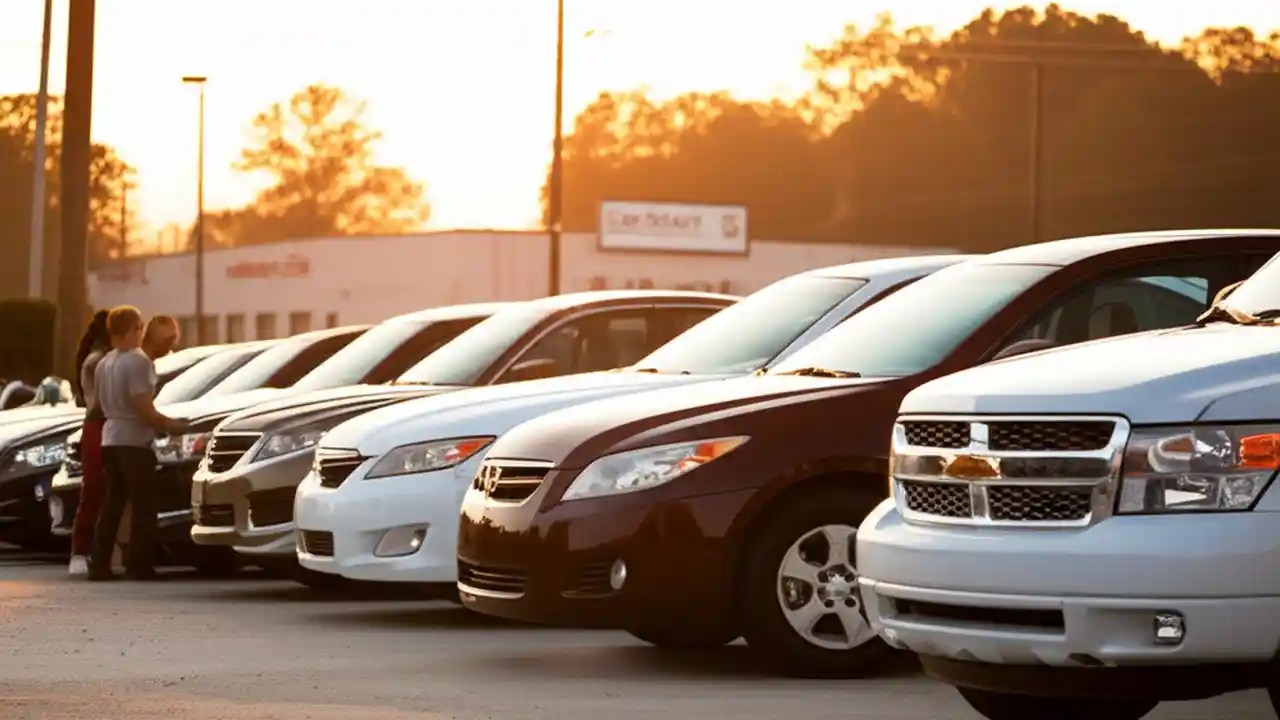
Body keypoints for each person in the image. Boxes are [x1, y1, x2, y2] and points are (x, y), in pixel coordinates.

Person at [88, 309, 184, 582]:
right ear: (133, 330)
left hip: (110, 437)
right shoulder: (138, 361)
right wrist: (169, 424)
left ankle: (99, 563)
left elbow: (97, 404)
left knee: (112, 503)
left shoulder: (105, 362)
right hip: (133, 440)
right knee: (144, 505)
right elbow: (142, 406)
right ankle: (139, 566)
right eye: (139, 328)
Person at [68, 310, 111, 577]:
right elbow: (96, 402)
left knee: (107, 492)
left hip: (104, 426)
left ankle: (98, 551)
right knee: (94, 489)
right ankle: (80, 550)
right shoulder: (97, 362)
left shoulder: (105, 360)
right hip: (98, 425)